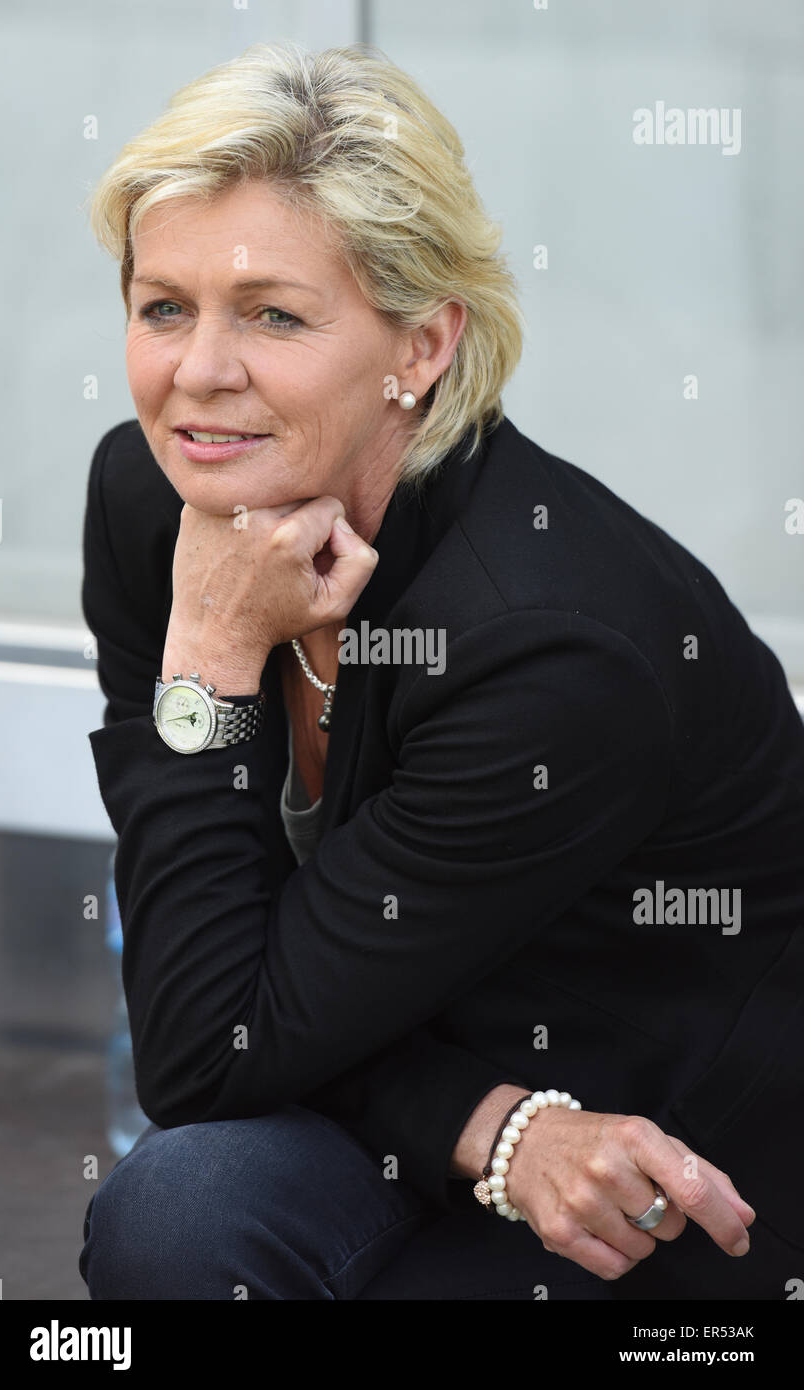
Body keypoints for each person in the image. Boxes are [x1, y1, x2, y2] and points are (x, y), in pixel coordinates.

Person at [78, 41, 804, 1300]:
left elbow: (213, 1041)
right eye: (163, 306)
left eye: (273, 313)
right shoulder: (164, 507)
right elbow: (203, 1039)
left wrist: (518, 1131)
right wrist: (484, 1122)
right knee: (177, 1213)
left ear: (421, 345)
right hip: (404, 1081)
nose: (197, 372)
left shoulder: (549, 642)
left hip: (654, 1166)